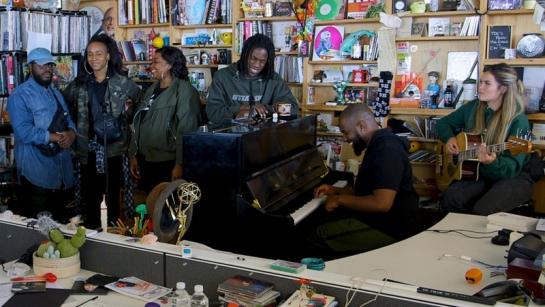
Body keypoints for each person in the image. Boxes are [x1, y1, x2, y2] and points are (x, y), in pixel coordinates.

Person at [312, 104, 421, 253]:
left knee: (317, 232)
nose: (345, 139)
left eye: (346, 132)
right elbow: (366, 192)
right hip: (381, 222)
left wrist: (339, 200)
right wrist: (335, 191)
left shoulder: (386, 149)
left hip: (391, 230)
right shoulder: (378, 144)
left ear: (361, 126)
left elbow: (381, 203)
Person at [63, 34, 141, 228]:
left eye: (99, 53)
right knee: (90, 201)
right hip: (87, 151)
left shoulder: (122, 83)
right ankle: (93, 239)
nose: (94, 58)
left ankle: (116, 245)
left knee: (115, 201)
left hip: (115, 151)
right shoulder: (79, 84)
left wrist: (126, 120)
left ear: (108, 56)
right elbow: (64, 107)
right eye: (90, 54)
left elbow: (140, 108)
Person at [437, 63, 533, 215]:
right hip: (478, 172)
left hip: (512, 176)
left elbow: (512, 168)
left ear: (503, 88)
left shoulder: (519, 121)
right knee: (451, 197)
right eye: (480, 82)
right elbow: (443, 123)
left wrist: (492, 162)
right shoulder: (473, 107)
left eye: (487, 83)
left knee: (484, 209)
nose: (480, 88)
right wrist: (449, 138)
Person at [8, 48, 76, 221]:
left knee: (62, 232)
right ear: (30, 66)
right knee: (38, 235)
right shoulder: (19, 95)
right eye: (42, 65)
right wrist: (55, 137)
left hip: (62, 176)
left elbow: (70, 122)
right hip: (36, 176)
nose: (48, 69)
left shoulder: (56, 93)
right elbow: (23, 132)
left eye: (50, 65)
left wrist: (71, 134)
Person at [129, 46, 201, 193]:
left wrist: (180, 164)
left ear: (170, 65)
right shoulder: (151, 89)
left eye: (156, 62)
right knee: (150, 207)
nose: (151, 67)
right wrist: (134, 154)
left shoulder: (185, 91)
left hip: (167, 162)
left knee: (168, 209)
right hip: (146, 159)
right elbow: (139, 123)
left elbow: (187, 129)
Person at [205, 34, 298, 124]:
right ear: (245, 55)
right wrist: (240, 110)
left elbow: (293, 109)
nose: (257, 65)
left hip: (263, 136)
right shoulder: (222, 77)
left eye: (262, 61)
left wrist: (265, 109)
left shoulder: (274, 79)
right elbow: (212, 113)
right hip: (229, 136)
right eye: (253, 59)